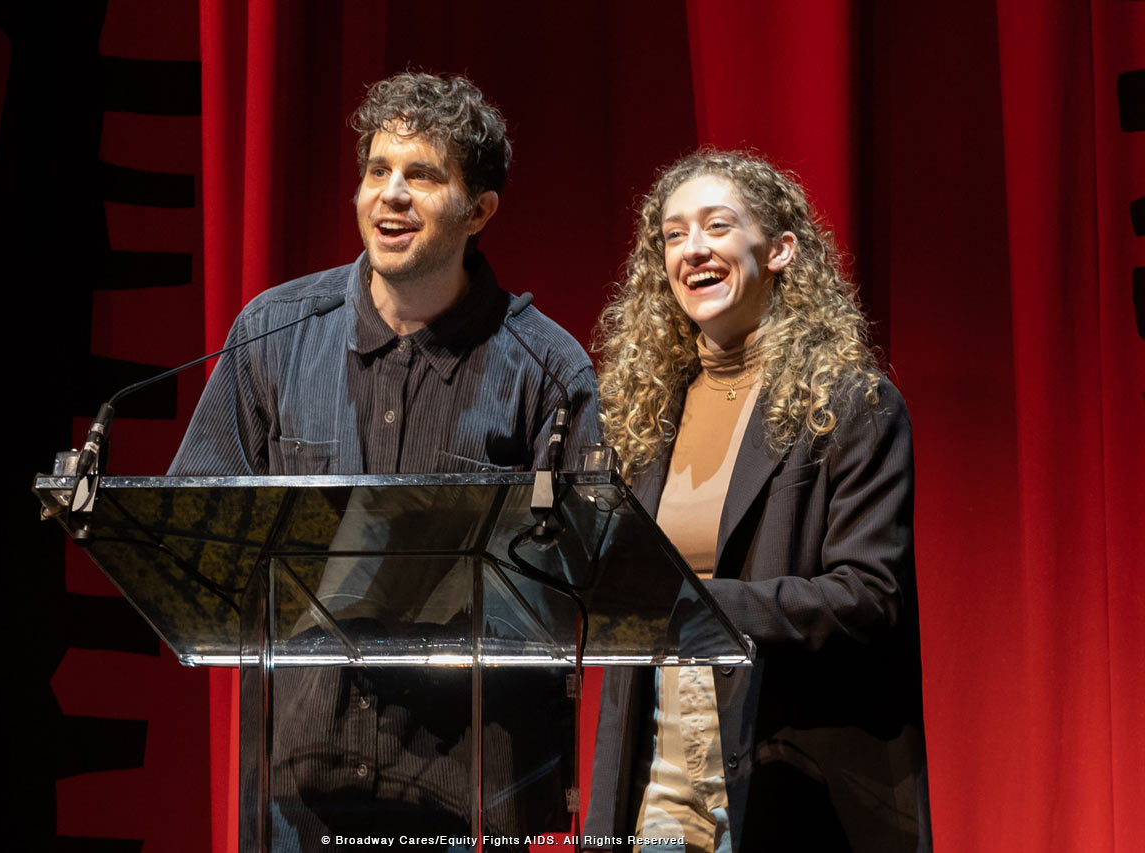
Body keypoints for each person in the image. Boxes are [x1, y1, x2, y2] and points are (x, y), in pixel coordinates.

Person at [169, 72, 599, 850]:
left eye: (422, 175)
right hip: (298, 782)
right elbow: (197, 530)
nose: (390, 194)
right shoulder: (273, 334)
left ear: (479, 211)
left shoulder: (548, 368)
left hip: (473, 786)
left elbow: (579, 582)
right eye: (377, 170)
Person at [583, 150, 931, 852]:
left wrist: (701, 605)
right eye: (674, 234)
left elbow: (870, 594)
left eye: (717, 225)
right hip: (659, 772)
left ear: (778, 250)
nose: (693, 248)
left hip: (786, 776)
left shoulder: (851, 406)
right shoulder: (644, 416)